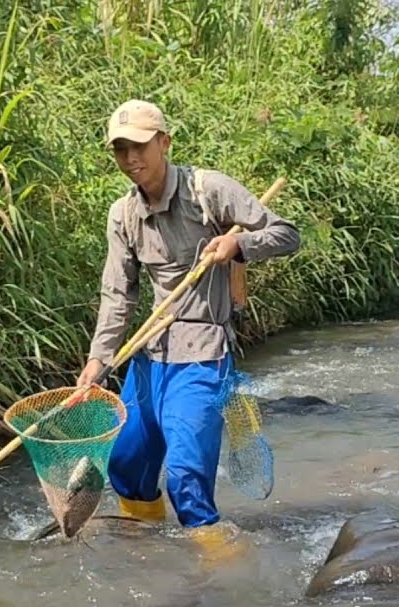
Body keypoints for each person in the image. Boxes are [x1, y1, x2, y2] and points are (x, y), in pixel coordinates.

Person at [76, 99, 301, 561]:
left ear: (164, 142)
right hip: (150, 355)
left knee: (185, 478)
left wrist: (238, 243)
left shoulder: (209, 190)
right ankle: (152, 564)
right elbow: (118, 295)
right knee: (126, 464)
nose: (131, 159)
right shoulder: (123, 214)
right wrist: (98, 359)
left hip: (202, 355)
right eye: (120, 149)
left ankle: (222, 579)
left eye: (139, 146)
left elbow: (287, 234)